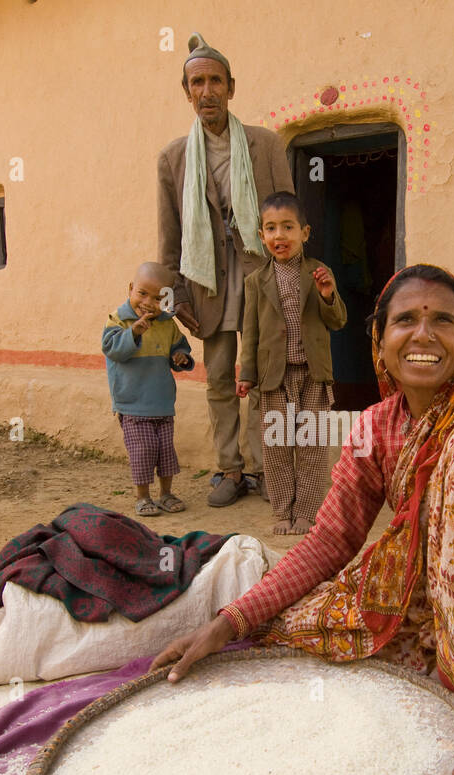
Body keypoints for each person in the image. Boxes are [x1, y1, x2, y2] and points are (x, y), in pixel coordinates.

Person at [151, 264, 454, 775]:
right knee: (301, 630)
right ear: (380, 343)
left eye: (444, 320)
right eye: (405, 320)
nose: (425, 335)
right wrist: (230, 621)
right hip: (439, 595)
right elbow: (331, 541)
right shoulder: (376, 426)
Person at [157, 33, 295, 507]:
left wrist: (290, 280)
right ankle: (230, 470)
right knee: (219, 378)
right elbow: (170, 233)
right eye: (198, 82)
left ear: (231, 87)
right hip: (207, 284)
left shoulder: (266, 145)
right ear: (187, 92)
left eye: (216, 80)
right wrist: (175, 296)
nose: (207, 90)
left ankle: (263, 469)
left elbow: (286, 217)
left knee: (262, 377)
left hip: (261, 279)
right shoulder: (173, 158)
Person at [238, 192, 348, 535]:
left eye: (288, 227)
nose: (279, 236)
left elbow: (338, 320)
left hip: (312, 376)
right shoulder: (255, 282)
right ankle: (282, 512)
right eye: (270, 228)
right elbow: (251, 332)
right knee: (277, 448)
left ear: (305, 232)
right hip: (274, 378)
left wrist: (328, 294)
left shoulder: (319, 273)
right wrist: (246, 374)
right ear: (261, 236)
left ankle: (307, 512)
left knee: (312, 447)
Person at [101, 262, 195, 517]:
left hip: (162, 401)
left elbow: (180, 347)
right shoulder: (119, 319)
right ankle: (143, 497)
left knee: (165, 451)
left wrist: (180, 357)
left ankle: (166, 494)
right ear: (131, 288)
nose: (149, 302)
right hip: (132, 403)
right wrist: (133, 332)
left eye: (158, 297)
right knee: (142, 451)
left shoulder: (167, 324)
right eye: (142, 293)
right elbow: (112, 349)